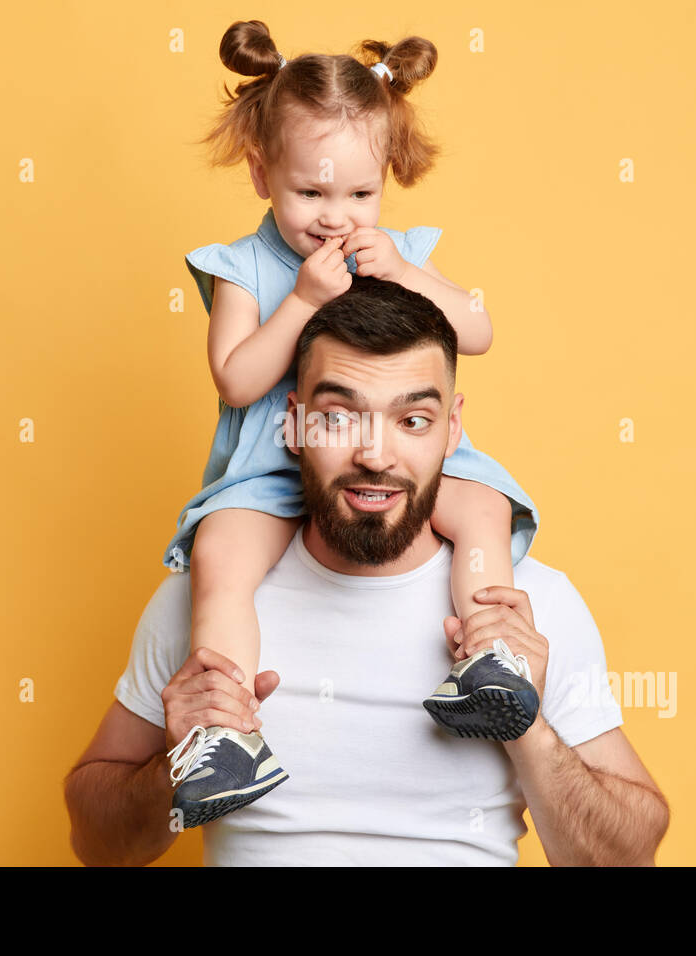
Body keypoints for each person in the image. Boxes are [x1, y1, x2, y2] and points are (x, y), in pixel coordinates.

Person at [65, 276, 670, 865]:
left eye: (412, 421)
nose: (375, 456)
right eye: (338, 417)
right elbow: (99, 847)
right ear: (294, 424)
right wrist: (178, 759)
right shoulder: (210, 601)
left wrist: (526, 724)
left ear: (451, 429)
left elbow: (625, 858)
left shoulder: (529, 605)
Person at [163, 19, 540, 827]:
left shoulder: (396, 249)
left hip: (390, 465)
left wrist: (403, 270)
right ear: (263, 173)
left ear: (387, 182)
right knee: (221, 559)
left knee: (484, 511)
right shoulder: (246, 268)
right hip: (275, 463)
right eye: (312, 193)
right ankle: (224, 732)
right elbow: (236, 381)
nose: (337, 217)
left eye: (360, 194)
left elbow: (476, 330)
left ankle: (491, 660)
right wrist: (299, 298)